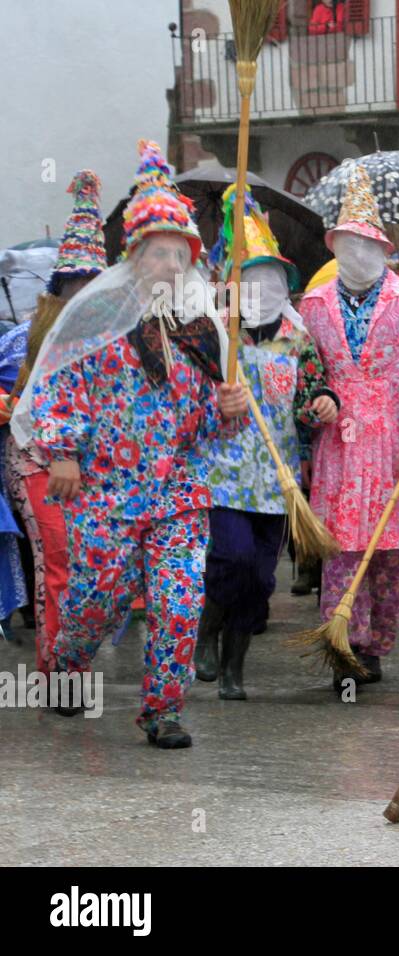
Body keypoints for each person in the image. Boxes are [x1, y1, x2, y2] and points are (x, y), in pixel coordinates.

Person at [12, 140, 250, 748]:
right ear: (136, 255)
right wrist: (62, 449)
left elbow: (213, 424)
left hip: (177, 493)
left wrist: (232, 408)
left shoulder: (202, 331)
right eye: (159, 252)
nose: (171, 263)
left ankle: (162, 710)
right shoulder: (99, 319)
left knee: (178, 602)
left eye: (181, 252)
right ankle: (67, 662)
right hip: (108, 494)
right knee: (98, 601)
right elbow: (63, 382)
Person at [298, 166, 399, 692]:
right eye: (346, 243)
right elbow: (305, 373)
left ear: (383, 248)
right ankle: (347, 640)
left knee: (390, 553)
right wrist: (310, 411)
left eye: (366, 244)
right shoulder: (313, 307)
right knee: (340, 546)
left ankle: (378, 640)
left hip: (393, 444)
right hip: (338, 447)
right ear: (333, 245)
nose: (356, 253)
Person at [195, 186, 336, 700]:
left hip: (277, 481)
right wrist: (216, 402)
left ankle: (235, 666)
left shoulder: (297, 339)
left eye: (269, 277)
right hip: (225, 474)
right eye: (249, 278)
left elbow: (313, 393)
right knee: (229, 558)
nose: (260, 288)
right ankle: (206, 628)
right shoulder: (219, 336)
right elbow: (187, 398)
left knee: (260, 580)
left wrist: (323, 404)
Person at [0, 169, 106, 672]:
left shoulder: (116, 340)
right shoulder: (29, 338)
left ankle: (73, 659)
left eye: (93, 283)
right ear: (60, 286)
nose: (83, 292)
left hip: (95, 467)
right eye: (75, 283)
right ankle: (59, 671)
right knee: (59, 561)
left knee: (90, 565)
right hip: (36, 460)